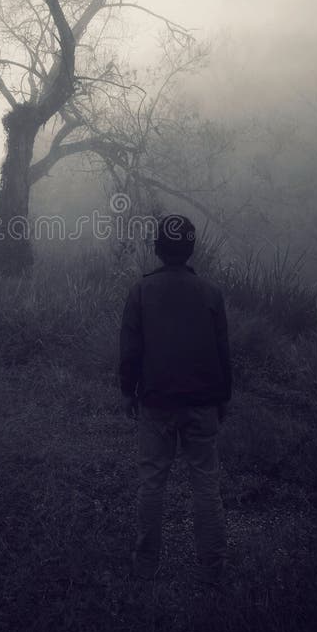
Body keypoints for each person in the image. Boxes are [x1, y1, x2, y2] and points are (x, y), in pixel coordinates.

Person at [119, 214, 231, 584]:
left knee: (152, 482)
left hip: (156, 403)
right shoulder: (211, 293)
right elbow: (221, 353)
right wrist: (222, 399)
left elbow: (131, 351)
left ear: (158, 249)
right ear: (191, 248)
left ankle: (145, 565)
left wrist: (127, 391)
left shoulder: (140, 291)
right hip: (202, 405)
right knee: (205, 483)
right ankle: (211, 568)